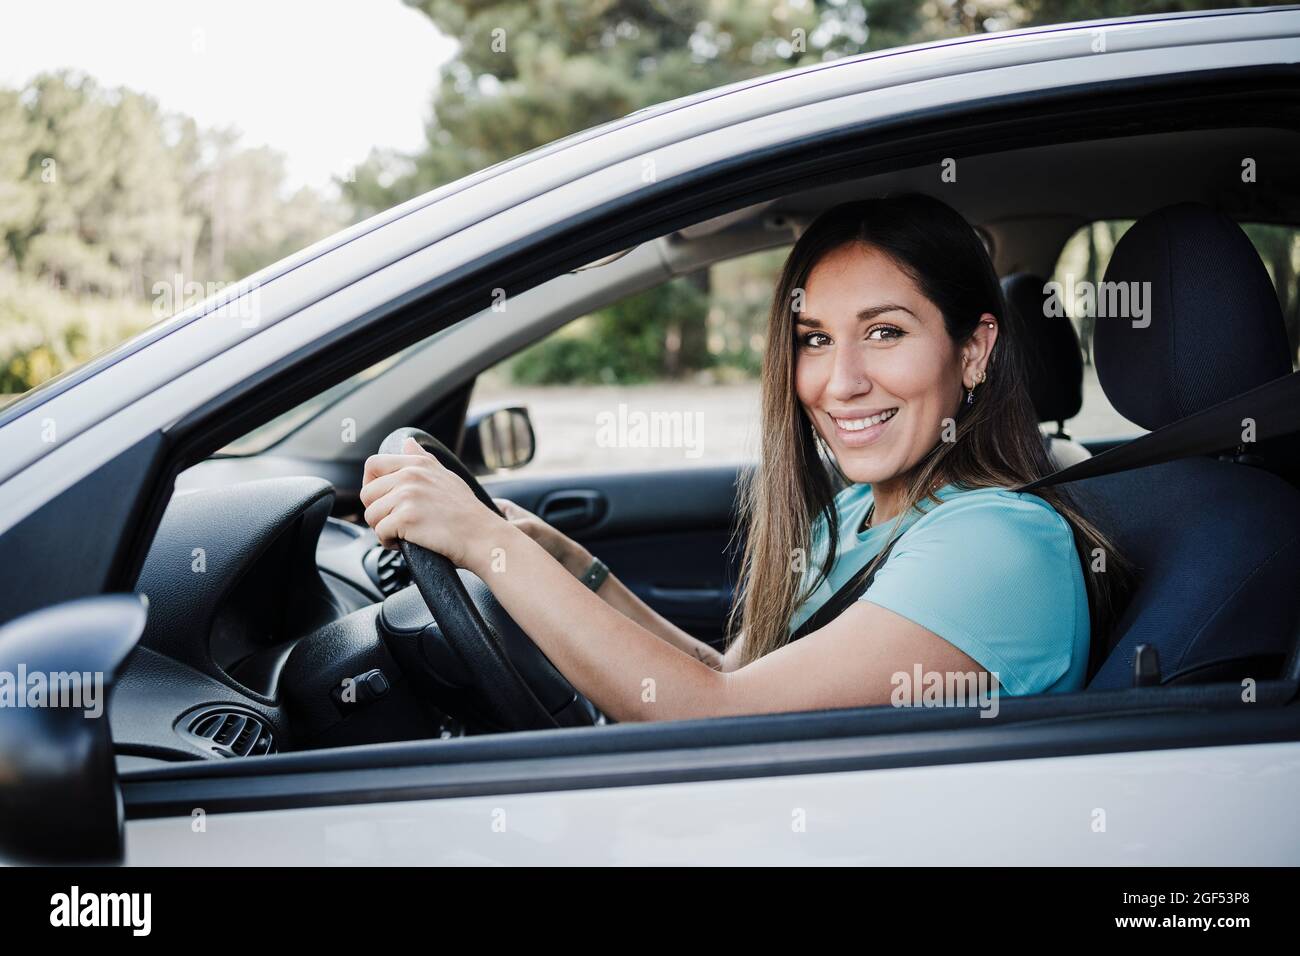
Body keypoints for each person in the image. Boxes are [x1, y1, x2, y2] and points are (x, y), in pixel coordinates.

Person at [359, 194, 1131, 722]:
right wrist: (571, 564)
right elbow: (733, 677)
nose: (842, 381)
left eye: (886, 332)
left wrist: (486, 546)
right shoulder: (866, 508)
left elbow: (709, 714)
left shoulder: (997, 545)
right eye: (816, 339)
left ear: (974, 351)